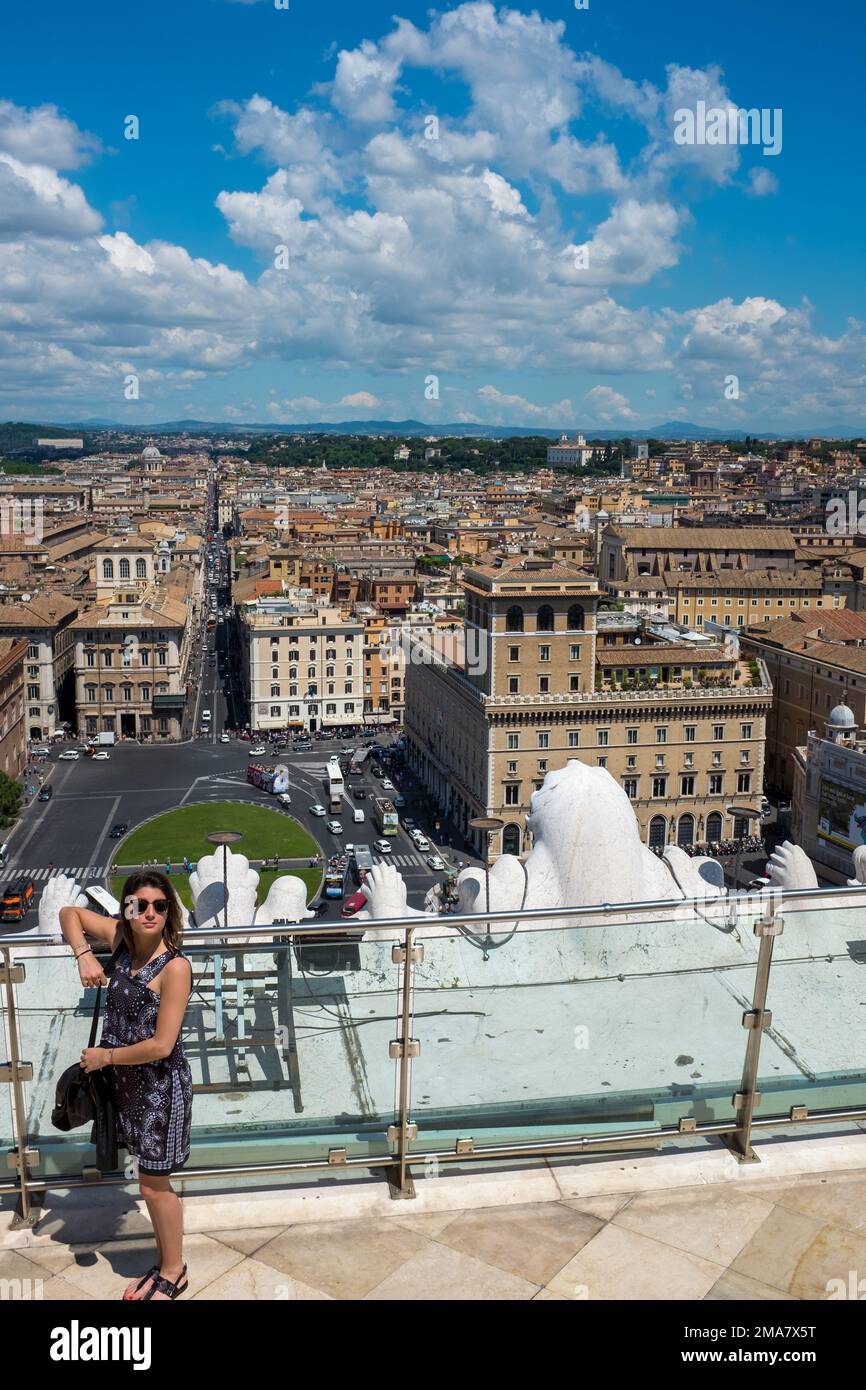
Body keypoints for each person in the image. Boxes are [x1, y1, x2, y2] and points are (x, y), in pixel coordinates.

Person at [58, 871, 193, 1301]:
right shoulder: (120, 940)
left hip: (159, 1092)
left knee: (155, 1184)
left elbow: (161, 1045)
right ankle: (166, 1262)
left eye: (160, 905)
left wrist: (106, 1057)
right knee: (146, 1181)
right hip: (129, 1090)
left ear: (169, 912)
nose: (149, 912)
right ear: (127, 910)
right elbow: (69, 913)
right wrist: (83, 954)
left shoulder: (175, 968)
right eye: (140, 904)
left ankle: (173, 1271)